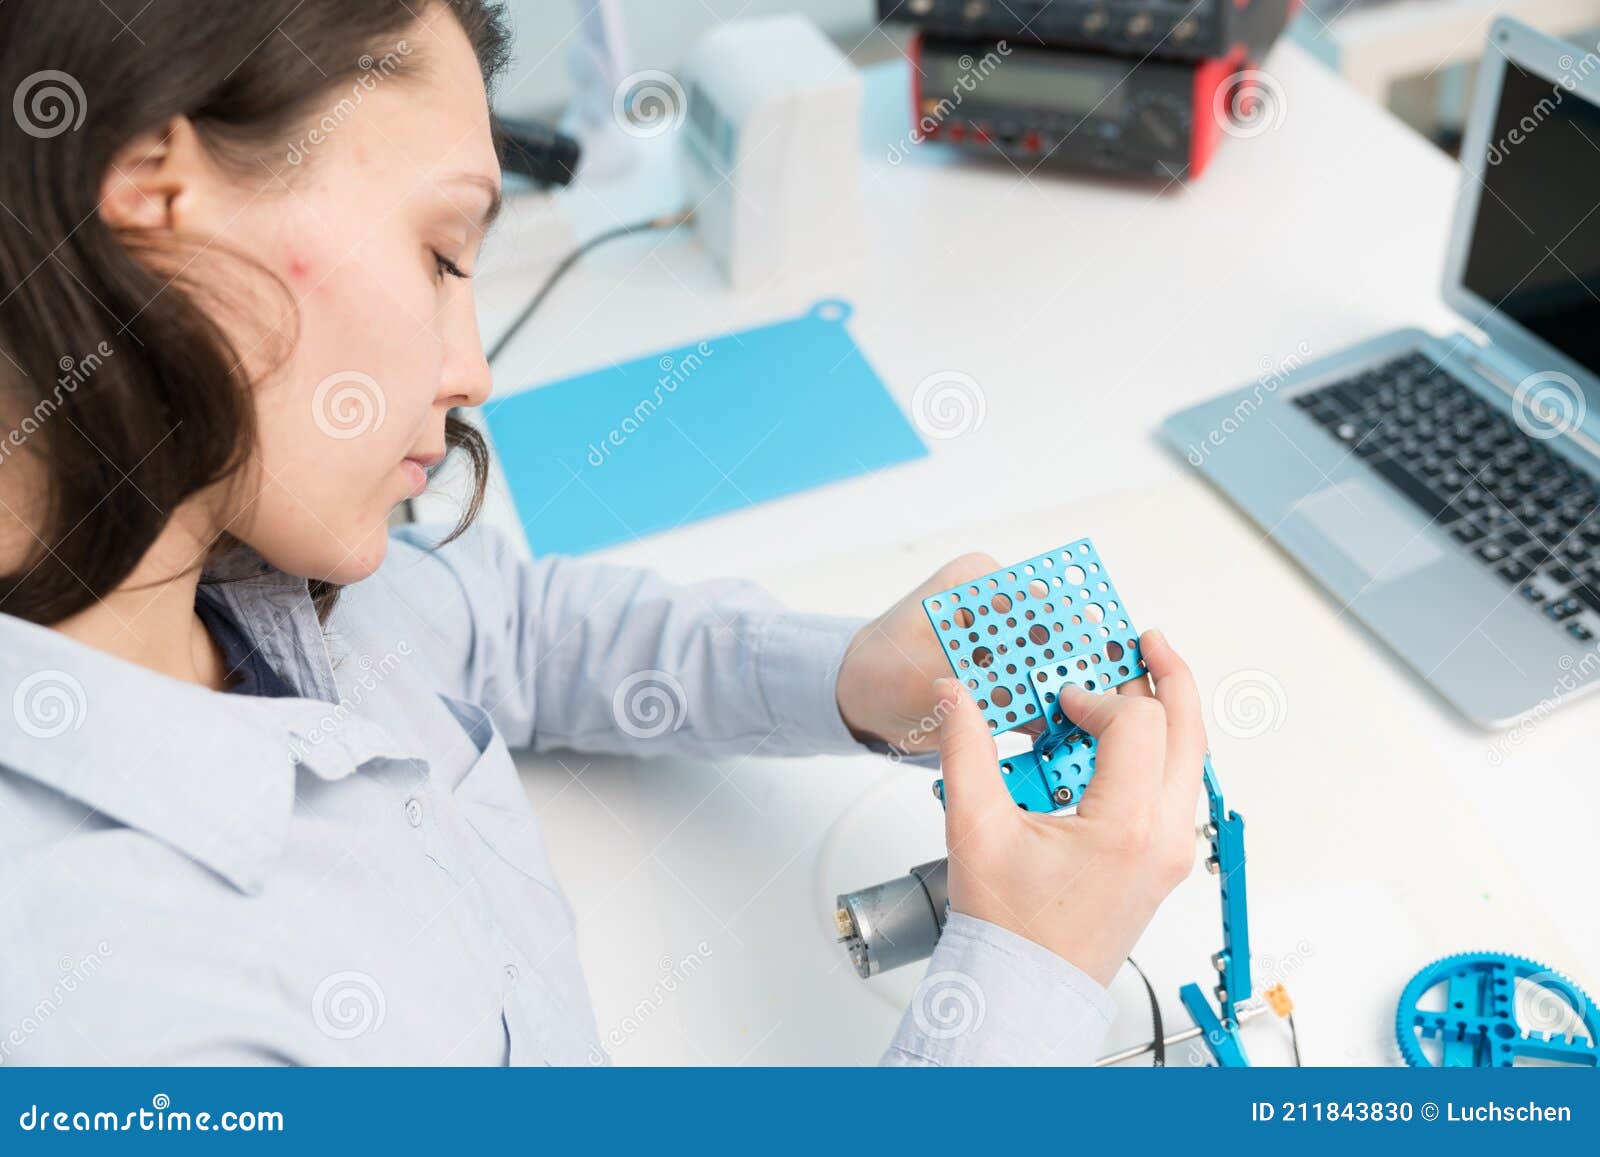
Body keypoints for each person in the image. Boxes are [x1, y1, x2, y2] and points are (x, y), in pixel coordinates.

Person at [0, 0, 1205, 1065]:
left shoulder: (224, 550)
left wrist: (847, 674)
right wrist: (1028, 980)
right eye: (437, 252)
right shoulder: (117, 1021)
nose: (469, 369)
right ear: (162, 199)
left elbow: (513, 629)